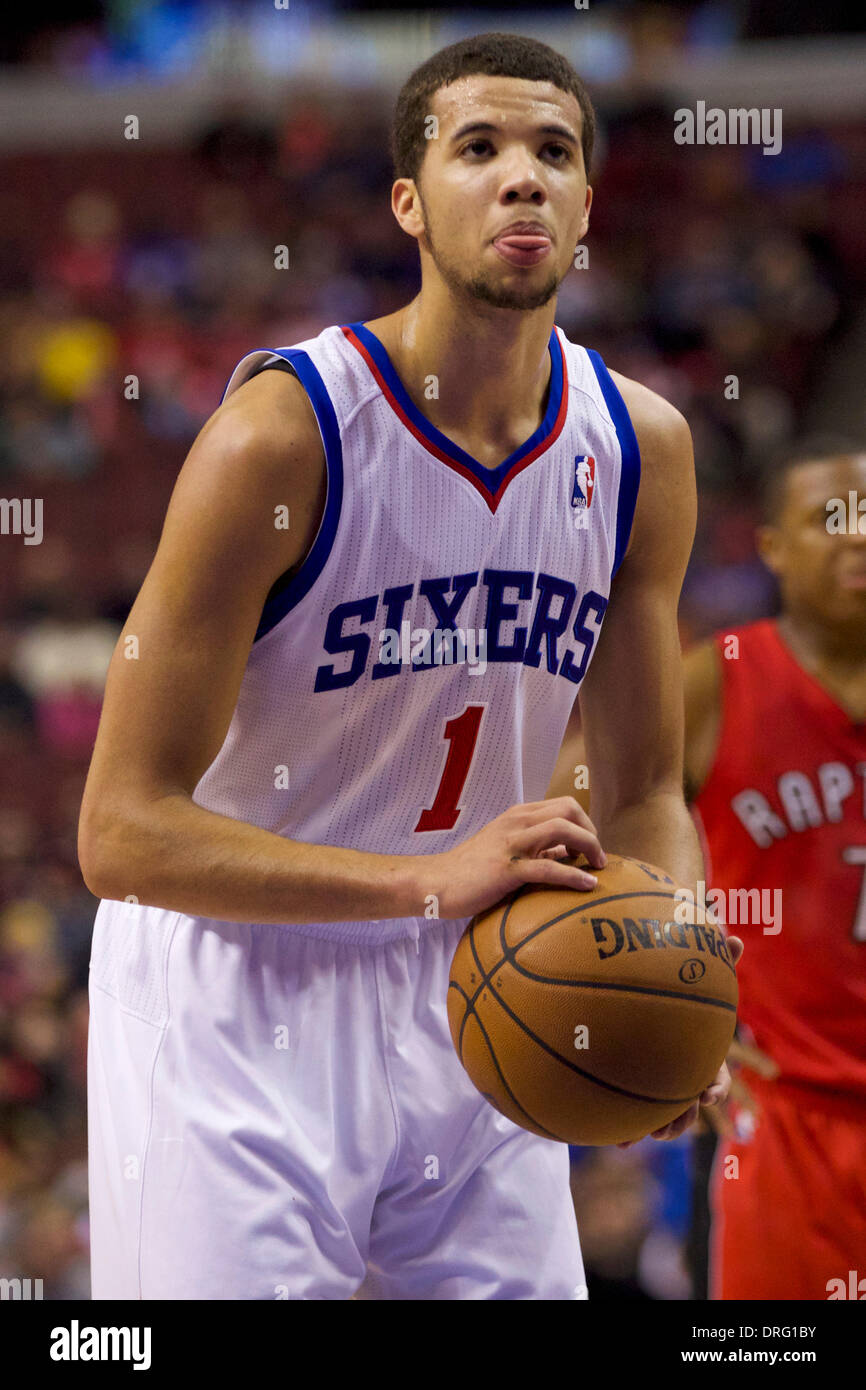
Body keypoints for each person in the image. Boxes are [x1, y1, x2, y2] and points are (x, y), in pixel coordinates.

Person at [78, 32, 735, 1301]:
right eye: (475, 148)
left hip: (489, 972)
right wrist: (426, 881)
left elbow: (648, 788)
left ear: (589, 203)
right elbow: (118, 832)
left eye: (553, 152)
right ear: (408, 202)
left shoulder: (639, 448)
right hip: (234, 994)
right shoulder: (280, 439)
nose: (520, 179)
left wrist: (678, 966)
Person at [682, 439, 866, 1300]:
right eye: (830, 518)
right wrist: (681, 1007)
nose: (856, 537)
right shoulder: (716, 683)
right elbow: (578, 820)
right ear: (772, 548)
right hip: (783, 1111)